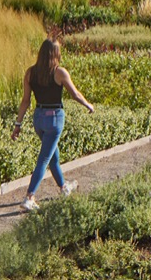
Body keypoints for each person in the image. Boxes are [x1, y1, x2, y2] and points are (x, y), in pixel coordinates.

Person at [11, 38, 95, 212]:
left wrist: (18, 124)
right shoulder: (59, 72)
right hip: (55, 119)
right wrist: (88, 105)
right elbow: (75, 94)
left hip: (39, 118)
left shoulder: (30, 73)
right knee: (44, 158)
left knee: (51, 154)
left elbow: (25, 101)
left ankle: (64, 187)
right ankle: (29, 197)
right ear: (55, 54)